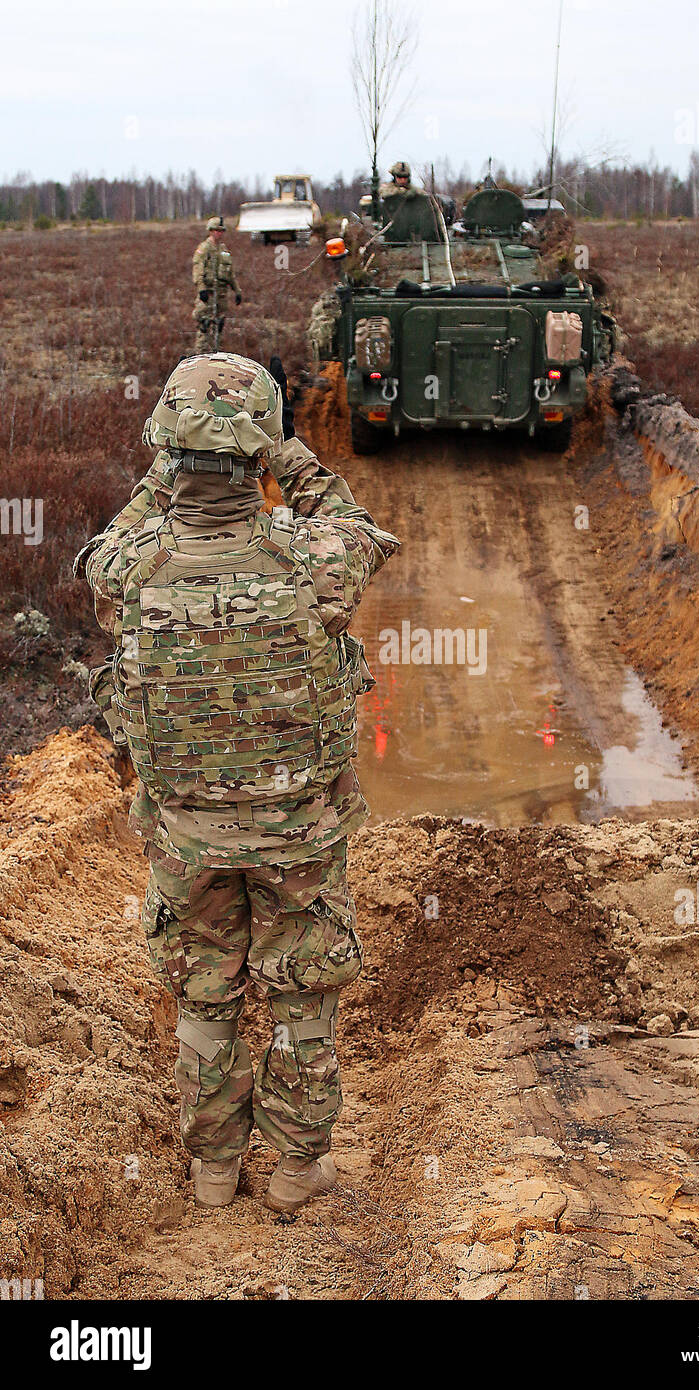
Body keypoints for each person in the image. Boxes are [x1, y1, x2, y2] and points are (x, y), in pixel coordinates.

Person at [83, 352, 399, 1212]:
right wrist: (294, 461)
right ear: (259, 452)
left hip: (187, 834)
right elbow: (360, 528)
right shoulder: (313, 559)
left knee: (205, 991)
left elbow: (114, 539)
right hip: (299, 833)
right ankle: (299, 1170)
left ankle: (215, 1172)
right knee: (303, 993)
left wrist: (162, 472)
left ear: (164, 445)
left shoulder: (130, 567)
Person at [192, 216, 242, 353]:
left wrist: (237, 290)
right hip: (208, 294)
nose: (219, 233)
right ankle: (200, 356)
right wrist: (201, 289)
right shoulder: (204, 248)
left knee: (219, 326)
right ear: (210, 231)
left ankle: (215, 353)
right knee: (204, 325)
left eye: (221, 231)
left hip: (221, 295)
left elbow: (230, 273)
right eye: (216, 230)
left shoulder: (223, 249)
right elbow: (198, 270)